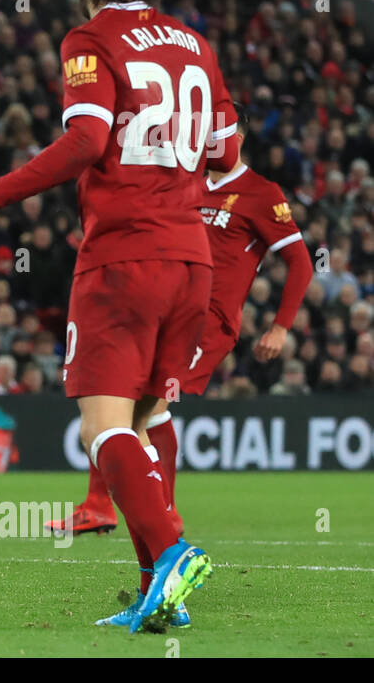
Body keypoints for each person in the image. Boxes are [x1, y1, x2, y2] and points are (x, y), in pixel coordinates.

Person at [0, 0, 234, 633]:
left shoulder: (91, 39)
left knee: (103, 429)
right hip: (192, 257)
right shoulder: (196, 43)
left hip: (124, 257)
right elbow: (226, 147)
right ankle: (158, 593)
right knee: (148, 419)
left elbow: (86, 140)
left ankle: (172, 552)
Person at [48, 107, 313, 542]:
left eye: (215, 135)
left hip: (209, 321)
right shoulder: (186, 182)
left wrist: (280, 327)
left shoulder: (261, 193)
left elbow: (300, 262)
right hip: (166, 307)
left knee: (145, 407)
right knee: (133, 406)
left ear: (237, 138)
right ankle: (149, 513)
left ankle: (130, 508)